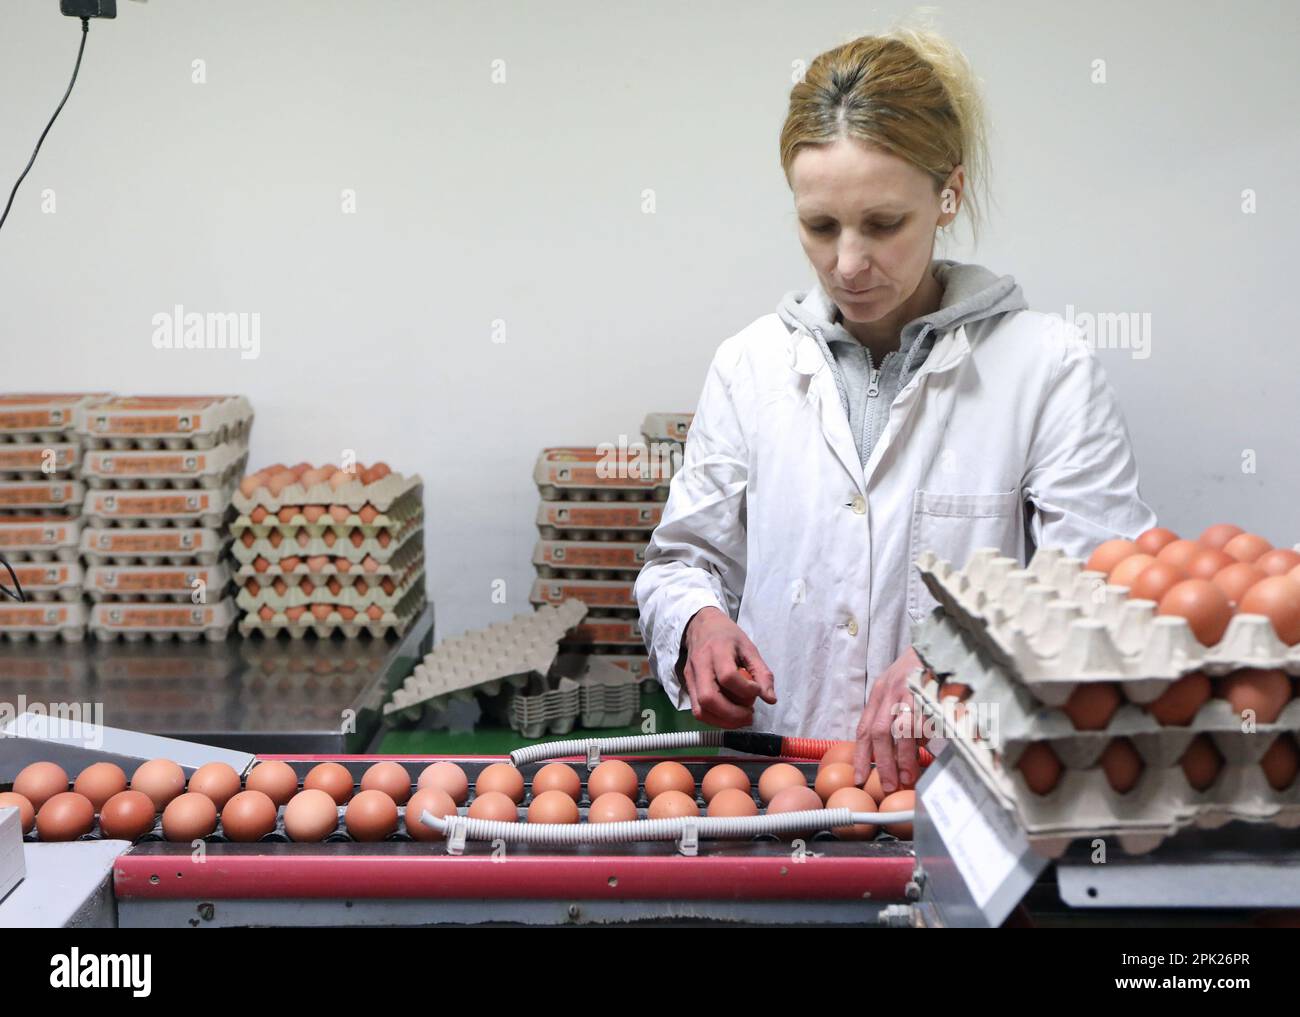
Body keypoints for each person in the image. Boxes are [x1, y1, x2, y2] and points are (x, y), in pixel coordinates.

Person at [634, 25, 1157, 797]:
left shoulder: (1046, 367)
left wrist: (966, 648)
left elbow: (1106, 583)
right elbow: (682, 562)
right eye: (819, 226)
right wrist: (697, 627)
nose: (848, 262)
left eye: (884, 225)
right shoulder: (750, 366)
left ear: (948, 194)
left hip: (969, 794)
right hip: (783, 785)